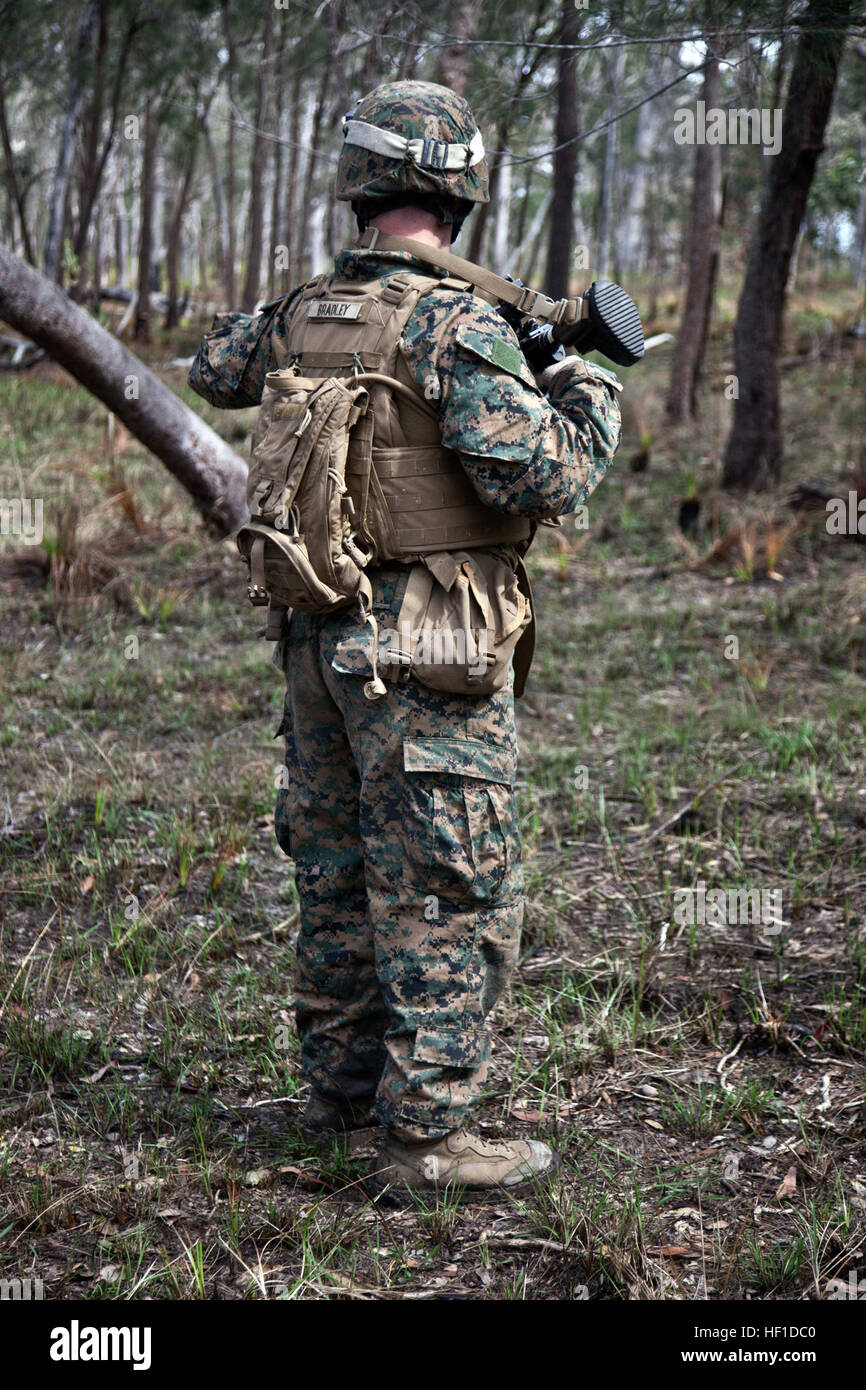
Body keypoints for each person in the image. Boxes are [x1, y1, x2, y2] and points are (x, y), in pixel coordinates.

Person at [189, 79, 622, 1191]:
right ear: (460, 189)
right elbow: (538, 472)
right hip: (423, 641)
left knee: (333, 867)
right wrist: (586, 383)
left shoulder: (307, 306)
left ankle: (337, 1096)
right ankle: (426, 1138)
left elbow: (214, 368)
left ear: (359, 182)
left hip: (316, 629)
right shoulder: (454, 319)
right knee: (445, 882)